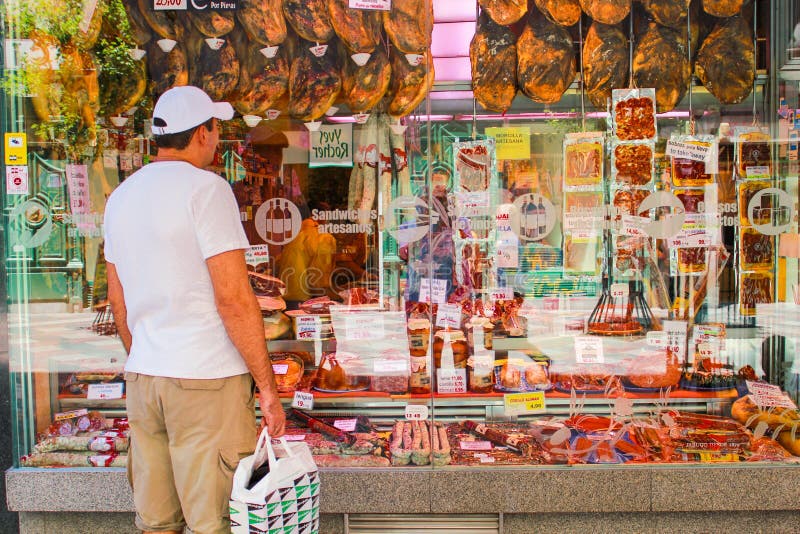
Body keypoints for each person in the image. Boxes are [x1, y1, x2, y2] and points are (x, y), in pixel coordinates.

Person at [103, 86, 286, 534]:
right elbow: (234, 299)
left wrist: (146, 354)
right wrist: (267, 388)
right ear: (202, 133)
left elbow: (117, 300)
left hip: (144, 380)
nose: (217, 137)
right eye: (216, 128)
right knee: (213, 522)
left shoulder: (121, 196)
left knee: (157, 522)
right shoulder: (207, 190)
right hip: (206, 381)